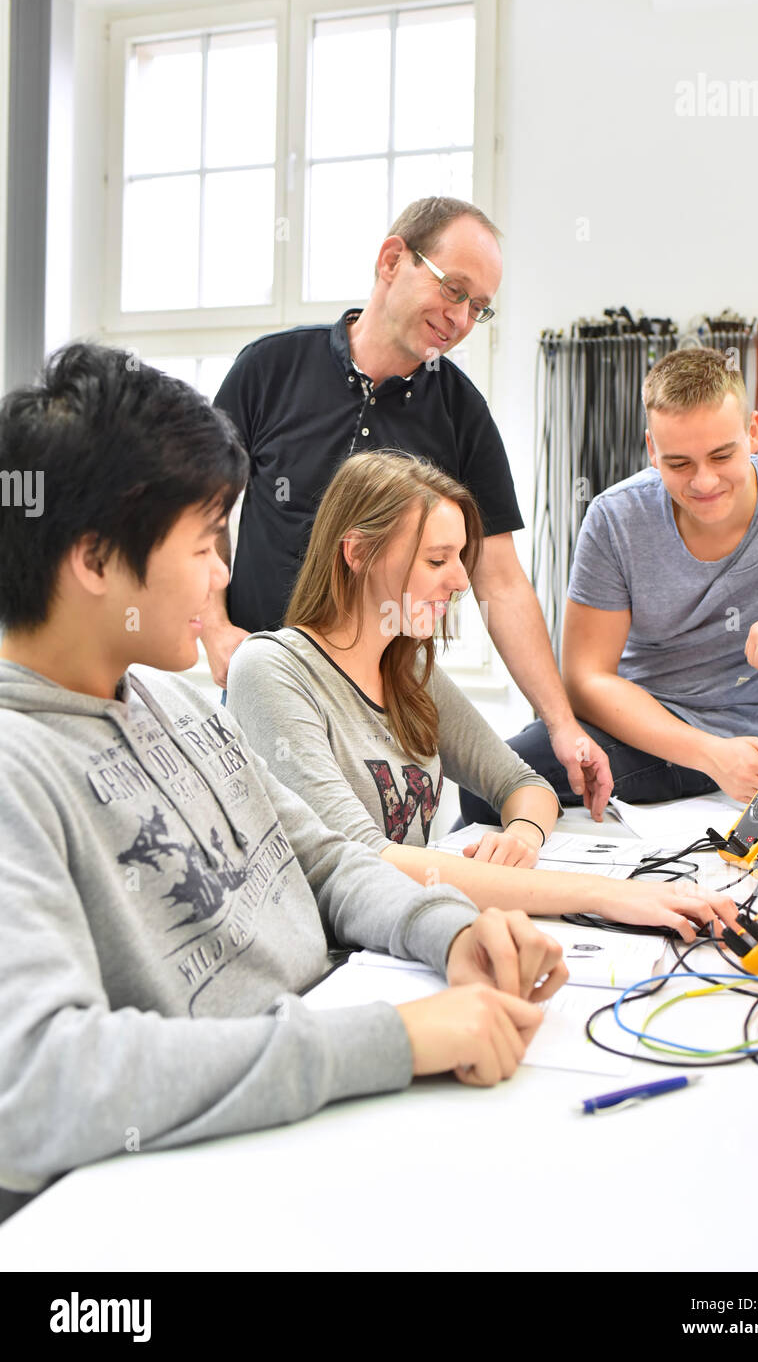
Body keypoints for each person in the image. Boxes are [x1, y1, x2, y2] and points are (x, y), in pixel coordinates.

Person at [0, 343, 570, 1216]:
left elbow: (326, 861)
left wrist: (453, 934)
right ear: (93, 558)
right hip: (193, 1184)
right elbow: (41, 1084)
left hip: (310, 1092)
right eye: (202, 546)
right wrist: (385, 1041)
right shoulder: (17, 768)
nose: (226, 575)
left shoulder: (176, 706)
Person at [207, 196, 612, 818]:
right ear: (393, 259)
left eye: (479, 307)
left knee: (378, 867)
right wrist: (215, 629)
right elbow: (200, 515)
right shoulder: (269, 370)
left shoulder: (462, 413)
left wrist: (559, 723)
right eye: (454, 290)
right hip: (264, 688)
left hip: (382, 697)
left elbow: (499, 582)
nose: (461, 319)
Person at [226, 450, 738, 936]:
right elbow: (363, 860)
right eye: (436, 560)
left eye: (459, 558)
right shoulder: (272, 669)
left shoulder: (410, 670)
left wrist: (521, 837)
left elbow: (524, 784)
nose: (460, 581)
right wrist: (601, 894)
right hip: (334, 960)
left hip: (410, 931)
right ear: (357, 552)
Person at [461, 346, 758, 823]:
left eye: (722, 454)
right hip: (629, 722)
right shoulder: (616, 516)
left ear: (753, 431)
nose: (704, 481)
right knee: (485, 785)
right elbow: (587, 679)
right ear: (651, 448)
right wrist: (709, 754)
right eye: (679, 464)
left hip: (729, 734)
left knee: (487, 793)